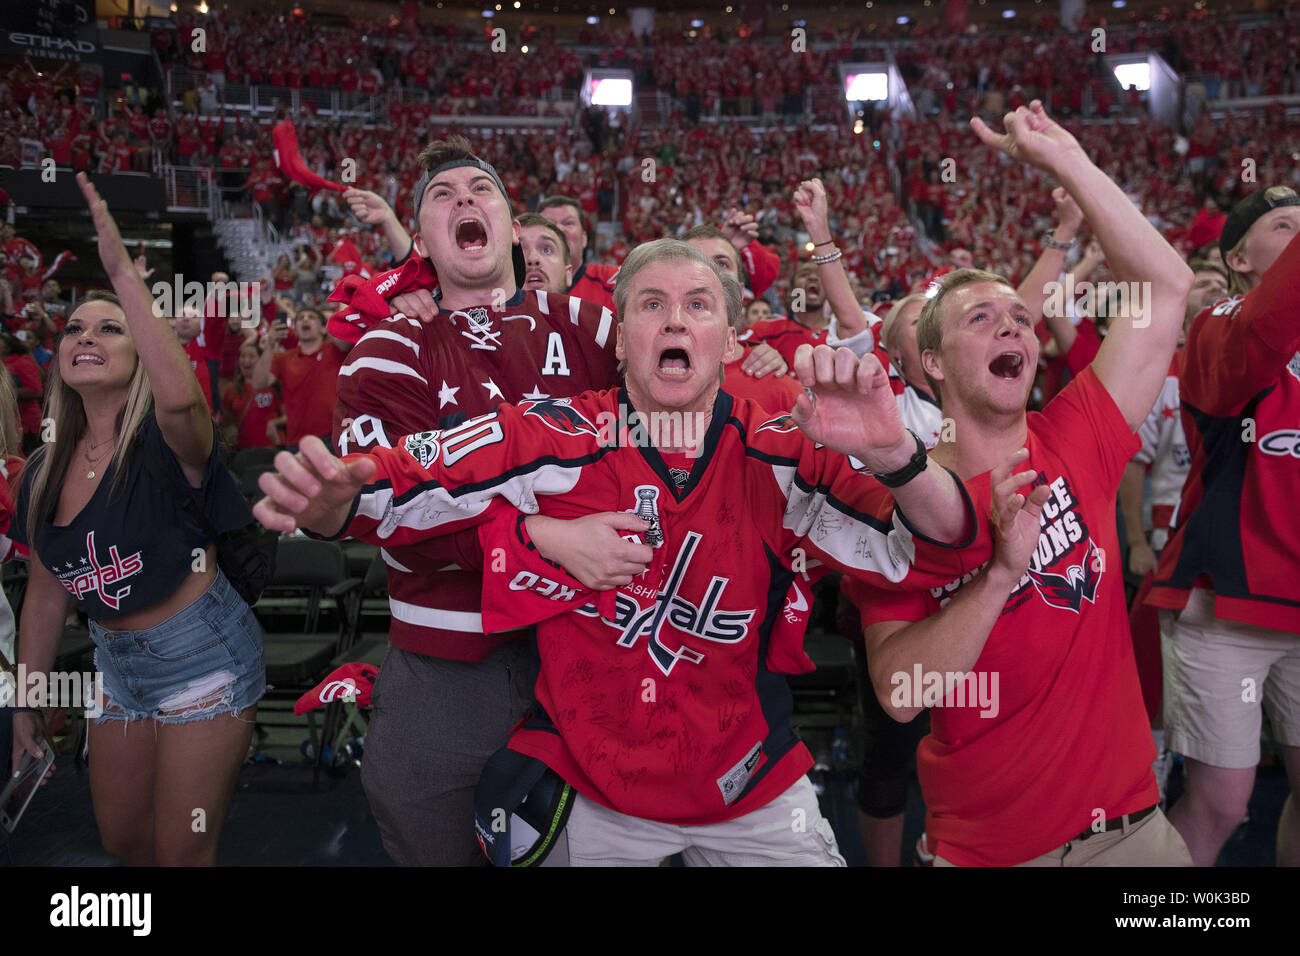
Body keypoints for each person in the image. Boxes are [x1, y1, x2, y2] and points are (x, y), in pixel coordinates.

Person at [253, 238, 980, 866]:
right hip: (591, 781)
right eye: (650, 305)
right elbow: (415, 474)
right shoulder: (557, 434)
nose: (674, 320)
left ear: (730, 341)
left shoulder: (784, 448)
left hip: (748, 774)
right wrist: (337, 500)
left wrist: (893, 452)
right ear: (623, 336)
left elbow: (942, 545)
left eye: (699, 305)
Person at [849, 101, 1195, 867]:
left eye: (1017, 316)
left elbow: (1166, 287)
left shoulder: (1079, 433)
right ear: (930, 365)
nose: (1011, 325)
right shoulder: (892, 505)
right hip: (990, 850)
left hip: (1135, 833)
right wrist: (1001, 573)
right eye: (980, 320)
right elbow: (904, 692)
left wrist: (1064, 158)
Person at [323, 135, 625, 866]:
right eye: (442, 194)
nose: (464, 199)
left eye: (481, 189)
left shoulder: (592, 327)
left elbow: (687, 414)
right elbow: (391, 514)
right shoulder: (388, 348)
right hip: (450, 672)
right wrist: (544, 538)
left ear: (512, 230)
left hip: (597, 651)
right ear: (422, 239)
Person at [8, 173, 263, 866]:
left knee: (182, 852)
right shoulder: (43, 468)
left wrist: (124, 277)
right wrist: (26, 702)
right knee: (125, 843)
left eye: (110, 327)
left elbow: (184, 405)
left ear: (139, 355)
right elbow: (45, 591)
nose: (86, 336)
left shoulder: (164, 438)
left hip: (204, 660)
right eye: (75, 328)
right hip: (114, 667)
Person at [1147, 185, 1300, 867]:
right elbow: (1261, 341)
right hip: (1227, 599)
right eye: (1285, 225)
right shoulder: (1216, 325)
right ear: (1238, 257)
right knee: (1222, 803)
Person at [252, 307, 347, 448]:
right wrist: (269, 345)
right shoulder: (283, 358)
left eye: (311, 317)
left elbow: (346, 338)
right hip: (297, 442)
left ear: (323, 328)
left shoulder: (336, 351)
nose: (305, 319)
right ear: (295, 330)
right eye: (300, 318)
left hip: (333, 437)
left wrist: (331, 325)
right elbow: (259, 383)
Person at [222, 339, 282, 451]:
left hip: (273, 449)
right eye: (243, 356)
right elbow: (226, 420)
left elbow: (288, 416)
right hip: (244, 451)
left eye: (251, 356)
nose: (246, 360)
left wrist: (274, 423)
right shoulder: (232, 388)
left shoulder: (273, 384)